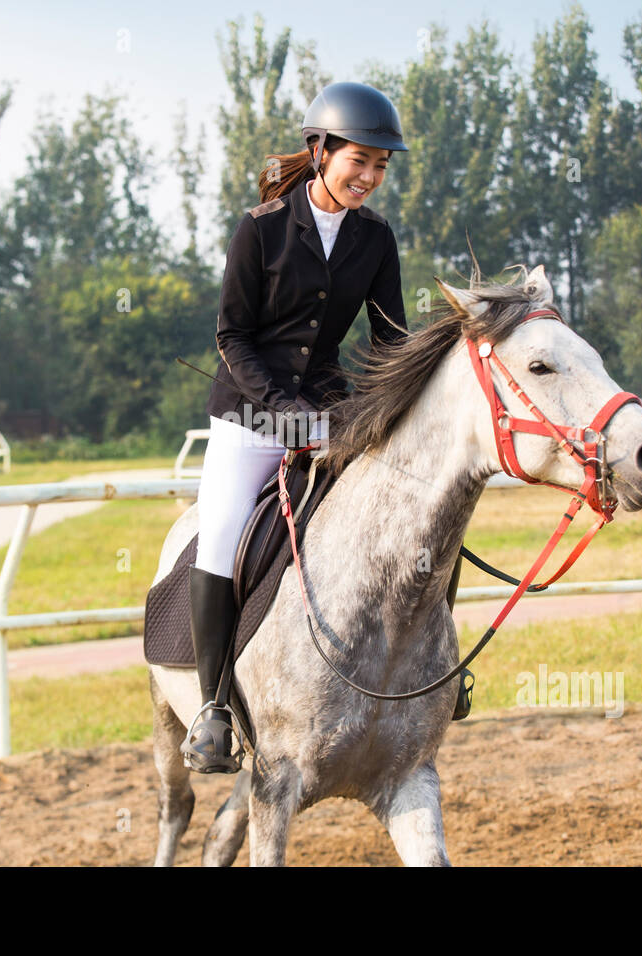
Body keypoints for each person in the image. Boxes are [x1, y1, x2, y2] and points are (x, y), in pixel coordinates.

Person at [182, 81, 410, 774]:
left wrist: (381, 408)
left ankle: (431, 671)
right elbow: (231, 336)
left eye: (380, 167)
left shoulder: (375, 239)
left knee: (410, 510)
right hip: (251, 414)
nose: (369, 178)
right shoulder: (262, 227)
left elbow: (391, 338)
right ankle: (213, 708)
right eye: (359, 162)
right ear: (320, 151)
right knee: (221, 532)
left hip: (332, 416)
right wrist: (282, 411)